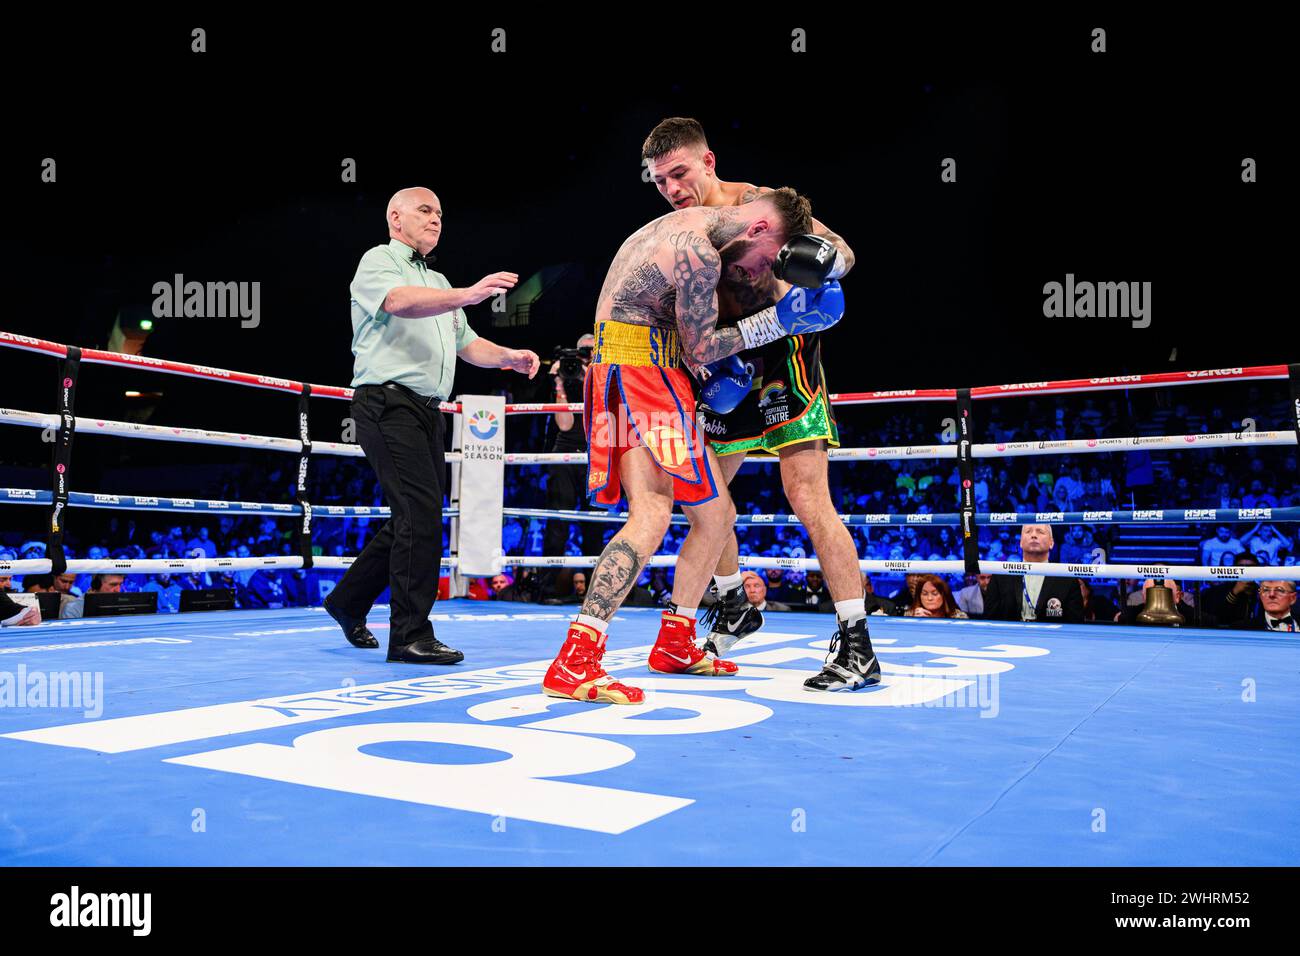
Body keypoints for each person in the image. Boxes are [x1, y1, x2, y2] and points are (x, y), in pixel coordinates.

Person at [542, 188, 844, 704]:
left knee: (715, 515)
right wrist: (781, 321)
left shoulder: (696, 224)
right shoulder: (699, 251)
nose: (760, 273)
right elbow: (700, 345)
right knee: (653, 512)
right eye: (769, 259)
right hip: (646, 374)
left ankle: (676, 642)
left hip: (631, 368)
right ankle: (577, 658)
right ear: (759, 230)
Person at [643, 117, 875, 694]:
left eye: (679, 173)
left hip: (787, 361)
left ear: (708, 162)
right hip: (727, 366)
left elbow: (844, 253)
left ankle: (857, 646)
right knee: (704, 501)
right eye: (659, 181)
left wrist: (817, 265)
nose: (671, 188)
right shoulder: (679, 231)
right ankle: (734, 605)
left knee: (807, 497)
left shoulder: (759, 205)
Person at [324, 186, 538, 664]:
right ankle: (409, 635)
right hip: (387, 402)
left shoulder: (437, 281)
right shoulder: (379, 260)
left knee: (416, 513)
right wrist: (469, 293)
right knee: (419, 513)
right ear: (395, 218)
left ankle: (348, 600)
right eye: (425, 210)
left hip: (427, 410)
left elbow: (467, 343)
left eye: (440, 212)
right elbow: (397, 301)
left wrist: (509, 357)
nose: (436, 219)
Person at [543, 333, 601, 571]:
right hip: (565, 450)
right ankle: (548, 586)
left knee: (594, 523)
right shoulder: (565, 377)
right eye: (582, 352)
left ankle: (594, 586)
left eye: (591, 351)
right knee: (559, 519)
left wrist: (589, 375)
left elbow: (600, 415)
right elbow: (564, 425)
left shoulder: (604, 375)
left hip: (595, 453)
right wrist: (559, 383)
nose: (586, 357)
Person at [982, 524, 1084, 622]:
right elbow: (989, 619)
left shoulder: (1067, 579)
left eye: (1040, 532)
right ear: (1021, 542)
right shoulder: (1001, 575)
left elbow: (1075, 623)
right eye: (1028, 531)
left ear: (1051, 543)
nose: (1034, 535)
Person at [1202, 552, 1263, 627]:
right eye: (1241, 567)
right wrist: (1234, 592)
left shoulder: (1261, 591)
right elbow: (1219, 618)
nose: (1245, 571)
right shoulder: (1219, 590)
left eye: (1250, 567)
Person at [1115, 579, 1211, 627]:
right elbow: (1117, 618)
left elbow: (1210, 621)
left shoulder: (1195, 618)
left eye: (1164, 595)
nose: (1158, 600)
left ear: (1177, 597)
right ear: (1143, 597)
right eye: (1151, 595)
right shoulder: (1130, 616)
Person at [61, 574, 126, 619]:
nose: (118, 590)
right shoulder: (74, 609)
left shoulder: (122, 605)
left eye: (120, 584)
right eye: (113, 585)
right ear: (97, 584)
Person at [904, 575, 968, 618]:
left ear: (944, 595)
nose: (930, 598)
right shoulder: (910, 615)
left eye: (934, 594)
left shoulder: (959, 617)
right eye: (925, 594)